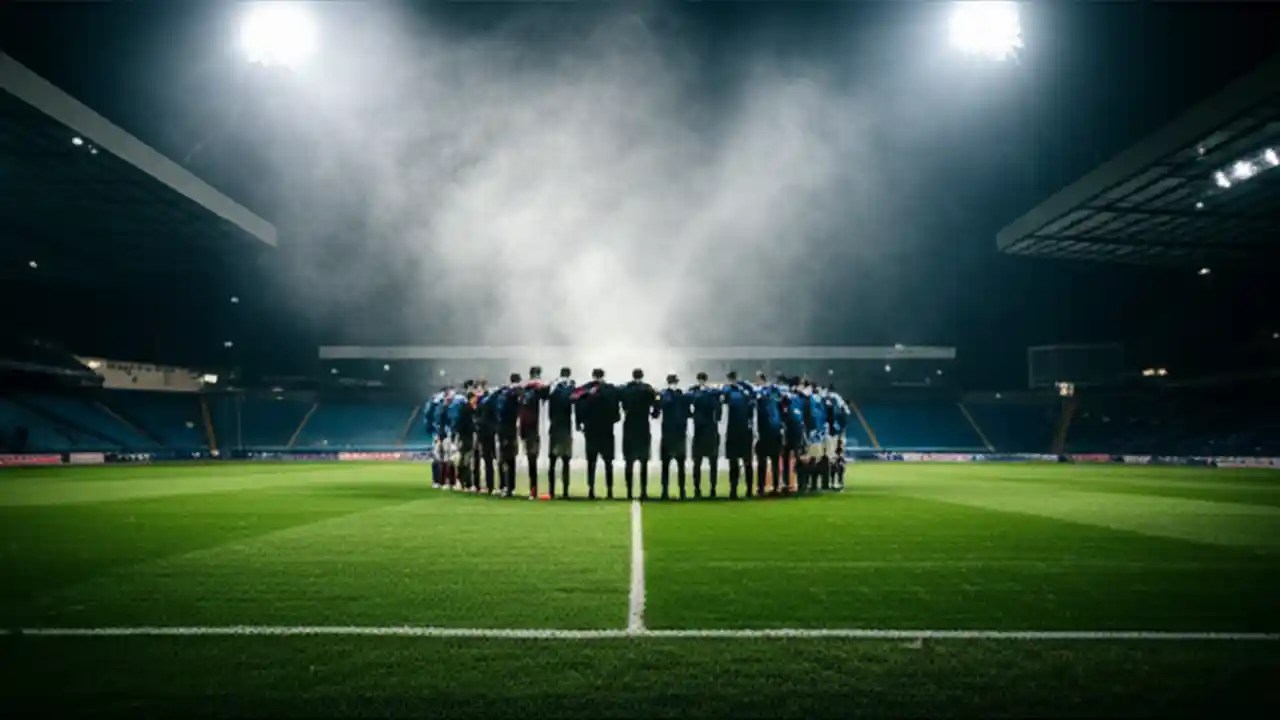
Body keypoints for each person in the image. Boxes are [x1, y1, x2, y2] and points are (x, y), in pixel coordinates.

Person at [574, 368, 621, 499]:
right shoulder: (611, 389)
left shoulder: (584, 389)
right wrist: (613, 419)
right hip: (606, 430)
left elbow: (577, 404)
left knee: (591, 462)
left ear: (593, 375)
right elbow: (616, 411)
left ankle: (591, 490)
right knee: (608, 462)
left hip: (590, 430)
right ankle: (610, 491)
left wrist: (579, 423)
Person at [620, 368, 660, 500]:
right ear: (642, 376)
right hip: (643, 425)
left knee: (629, 461)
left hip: (629, 426)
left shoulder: (626, 388)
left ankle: (629, 491)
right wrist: (655, 413)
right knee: (644, 461)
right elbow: (658, 400)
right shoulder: (648, 389)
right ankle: (643, 491)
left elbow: (621, 402)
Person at [721, 370, 756, 499]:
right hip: (733, 429)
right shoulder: (727, 390)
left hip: (744, 429)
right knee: (733, 462)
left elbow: (753, 402)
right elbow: (723, 399)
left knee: (747, 462)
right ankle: (733, 490)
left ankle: (749, 490)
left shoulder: (746, 389)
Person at [518, 366, 551, 499]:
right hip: (532, 428)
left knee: (531, 458)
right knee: (532, 458)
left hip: (524, 427)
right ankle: (533, 490)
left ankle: (533, 490)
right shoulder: (536, 388)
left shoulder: (523, 388)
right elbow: (546, 392)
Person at [688, 372, 722, 499]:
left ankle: (699, 489)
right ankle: (711, 489)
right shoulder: (713, 393)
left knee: (699, 463)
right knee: (711, 463)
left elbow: (689, 408)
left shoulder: (694, 392)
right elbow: (719, 411)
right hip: (711, 431)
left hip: (700, 432)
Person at [658, 373, 691, 500]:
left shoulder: (663, 395)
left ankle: (665, 492)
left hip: (667, 433)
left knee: (666, 466)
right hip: (679, 434)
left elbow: (658, 409)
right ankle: (682, 491)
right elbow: (689, 413)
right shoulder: (682, 396)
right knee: (680, 465)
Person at [754, 371, 784, 496]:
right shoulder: (775, 392)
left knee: (763, 461)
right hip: (775, 431)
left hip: (765, 432)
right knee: (774, 461)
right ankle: (776, 486)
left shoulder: (760, 393)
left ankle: (762, 487)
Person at [546, 367, 575, 498]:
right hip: (565, 427)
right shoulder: (570, 388)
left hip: (554, 427)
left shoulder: (553, 387)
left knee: (552, 461)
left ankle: (551, 491)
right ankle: (565, 492)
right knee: (565, 461)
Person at [494, 373, 522, 497]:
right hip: (509, 430)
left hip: (504, 430)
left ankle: (506, 486)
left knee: (505, 460)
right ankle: (508, 486)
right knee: (509, 460)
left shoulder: (502, 393)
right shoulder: (512, 394)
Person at [800, 378, 829, 492]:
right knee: (819, 458)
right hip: (820, 431)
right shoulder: (820, 399)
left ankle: (810, 484)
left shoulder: (808, 399)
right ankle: (819, 484)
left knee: (810, 459)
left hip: (812, 431)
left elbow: (809, 415)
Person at [780, 376, 807, 494]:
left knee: (787, 457)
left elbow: (782, 411)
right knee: (797, 456)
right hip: (797, 429)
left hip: (789, 430)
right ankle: (802, 483)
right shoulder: (801, 397)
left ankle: (787, 483)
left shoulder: (787, 396)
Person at [826, 384, 851, 490]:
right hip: (840, 433)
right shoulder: (840, 400)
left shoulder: (827, 398)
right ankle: (840, 481)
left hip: (830, 434)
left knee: (831, 459)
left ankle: (831, 482)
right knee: (840, 458)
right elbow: (846, 414)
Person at [424, 386, 449, 488]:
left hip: (444, 433)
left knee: (444, 458)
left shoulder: (448, 403)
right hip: (438, 433)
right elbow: (429, 417)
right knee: (438, 457)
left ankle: (443, 480)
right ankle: (437, 480)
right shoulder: (435, 403)